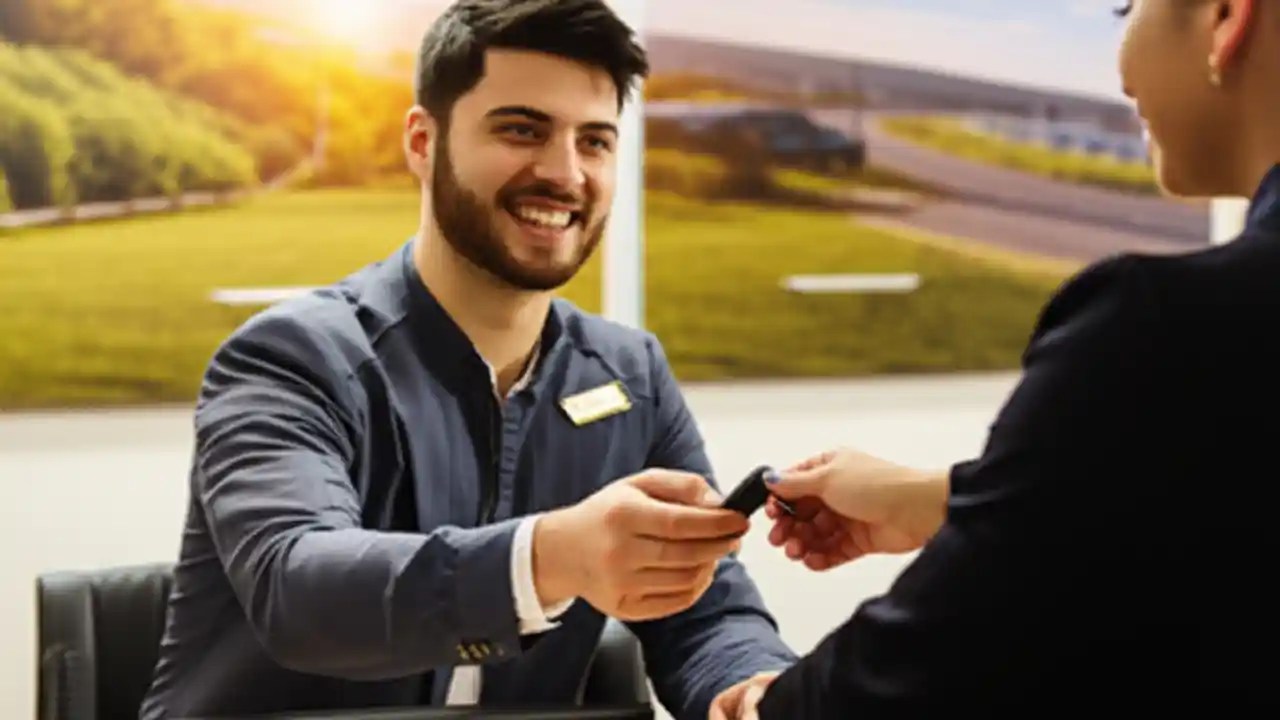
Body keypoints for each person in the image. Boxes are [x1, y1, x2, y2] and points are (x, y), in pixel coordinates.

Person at [137, 2, 797, 718]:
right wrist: (554, 555)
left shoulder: (627, 375)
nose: (564, 173)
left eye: (596, 142)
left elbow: (705, 610)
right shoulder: (292, 356)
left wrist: (750, 685)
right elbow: (298, 587)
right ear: (423, 142)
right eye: (522, 129)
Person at [709, 0, 1280, 716]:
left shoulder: (1161, 331)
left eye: (1125, 6)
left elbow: (922, 677)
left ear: (1228, 17)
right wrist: (943, 498)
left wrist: (766, 708)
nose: (1120, 49)